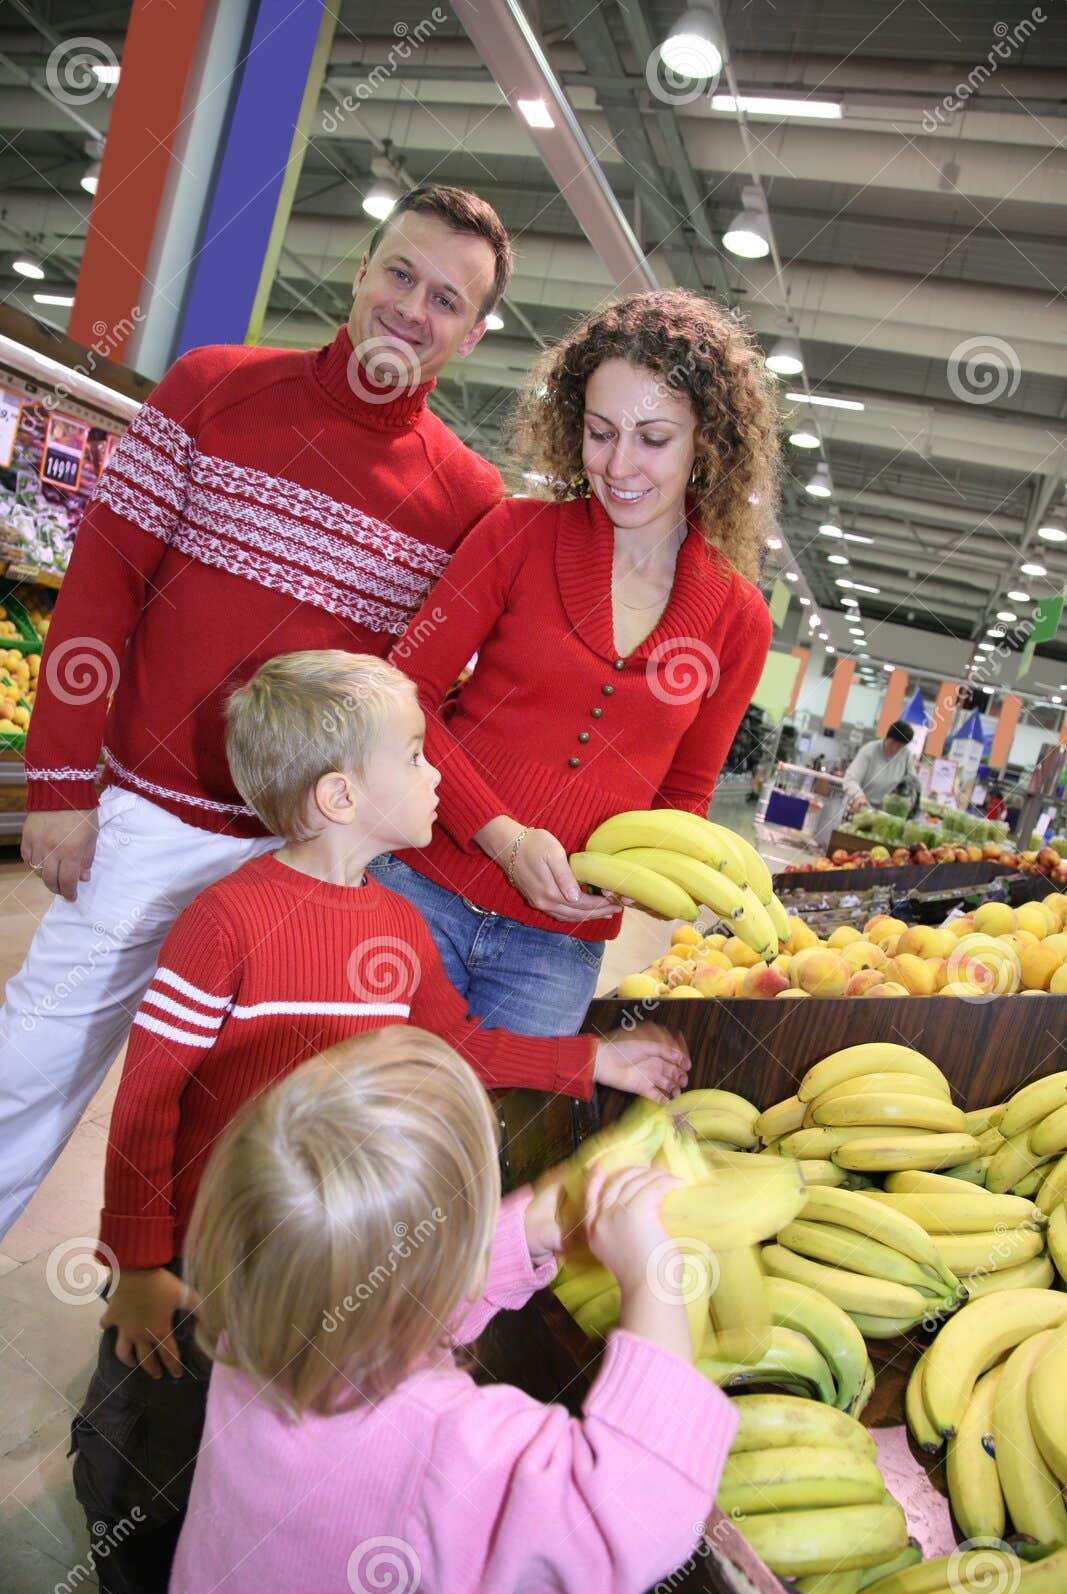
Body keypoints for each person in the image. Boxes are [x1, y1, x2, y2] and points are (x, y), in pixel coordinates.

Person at [70, 652, 689, 1594]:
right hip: (208, 1255)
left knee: (247, 1467)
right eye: (414, 753)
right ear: (339, 796)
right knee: (150, 1442)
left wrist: (587, 1062)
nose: (439, 769)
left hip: (340, 1255)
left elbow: (459, 1042)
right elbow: (149, 1096)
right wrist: (141, 1263)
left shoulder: (398, 928)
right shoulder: (225, 923)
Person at [1, 185, 513, 1239]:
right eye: (401, 274)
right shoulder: (211, 389)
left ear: (470, 333)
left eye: (447, 300)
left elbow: (428, 700)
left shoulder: (470, 502)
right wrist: (58, 784)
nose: (413, 310)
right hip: (142, 821)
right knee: (29, 1070)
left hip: (295, 864)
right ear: (362, 270)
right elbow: (98, 592)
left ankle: (164, 1365)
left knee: (237, 1127)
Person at [168, 1024, 738, 1594]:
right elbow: (629, 1520)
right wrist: (650, 1282)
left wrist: (520, 1236)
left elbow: (373, 1295)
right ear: (458, 1268)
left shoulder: (259, 1315)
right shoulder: (441, 1449)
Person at [374, 290, 778, 1035]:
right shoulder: (516, 534)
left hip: (557, 950)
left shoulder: (738, 619)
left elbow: (682, 798)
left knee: (484, 1148)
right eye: (600, 432)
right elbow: (402, 694)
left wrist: (639, 888)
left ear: (707, 444)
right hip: (413, 887)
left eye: (653, 438)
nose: (619, 465)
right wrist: (503, 836)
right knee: (350, 1119)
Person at [812, 720, 917, 848]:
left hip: (885, 816)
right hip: (860, 808)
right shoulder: (870, 750)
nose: (896, 749)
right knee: (848, 848)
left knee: (876, 853)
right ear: (887, 737)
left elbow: (913, 781)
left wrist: (905, 797)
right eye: (893, 743)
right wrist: (859, 796)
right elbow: (850, 778)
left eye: (900, 746)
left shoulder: (905, 755)